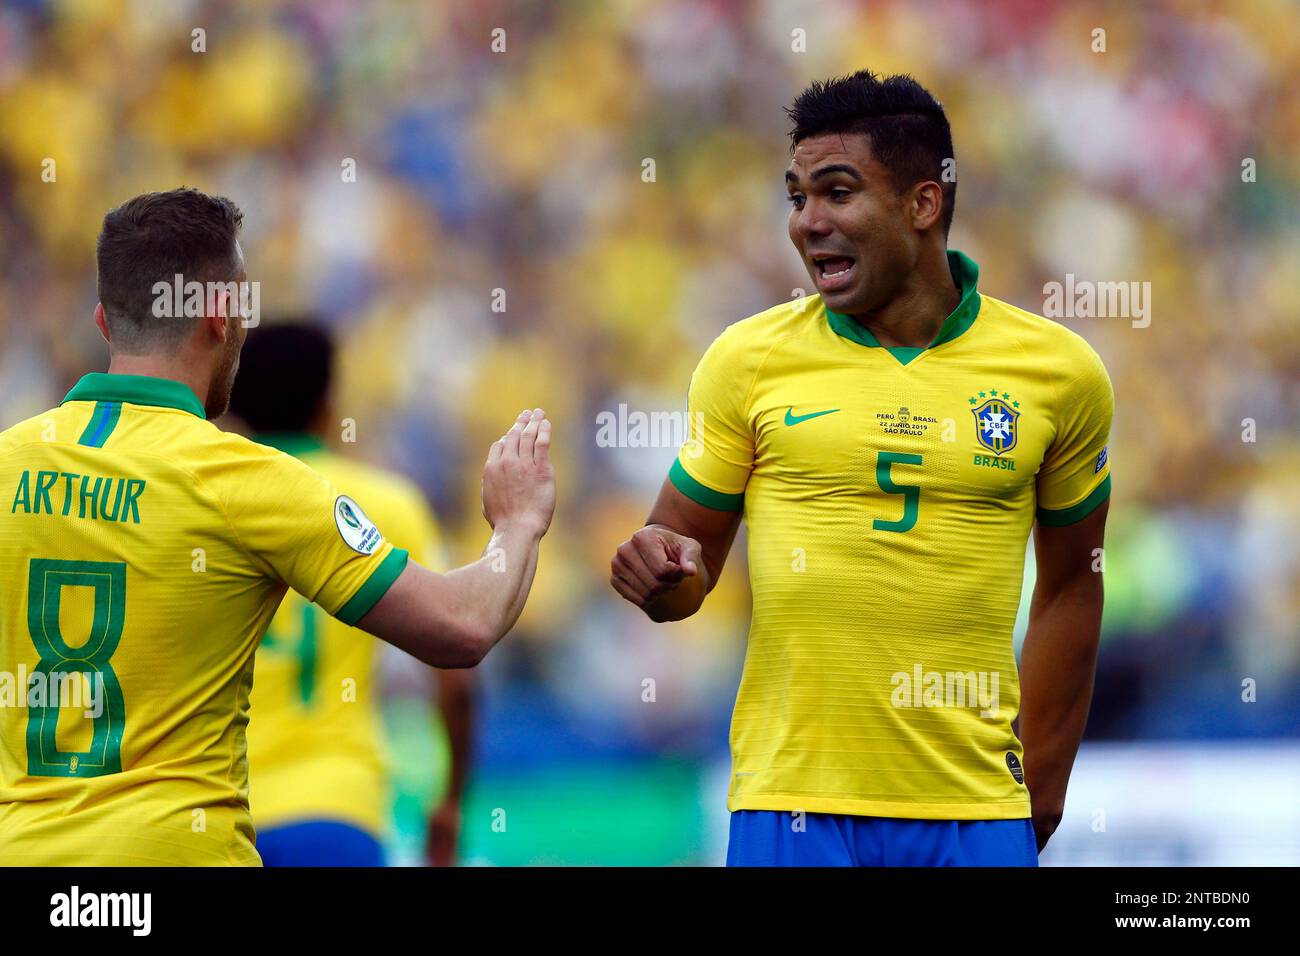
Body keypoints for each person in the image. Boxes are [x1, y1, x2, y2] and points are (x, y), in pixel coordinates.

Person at [609, 71, 1113, 866]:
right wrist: (660, 574)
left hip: (976, 809)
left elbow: (1073, 583)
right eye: (796, 197)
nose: (808, 223)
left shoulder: (1059, 373)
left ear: (923, 204)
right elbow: (682, 564)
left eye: (836, 193)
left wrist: (1041, 780)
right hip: (793, 807)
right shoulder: (748, 361)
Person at [0, 188, 554, 865]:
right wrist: (518, 523)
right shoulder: (248, 481)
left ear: (105, 322)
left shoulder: (9, 461)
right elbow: (462, 628)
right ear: (220, 316)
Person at [227, 322, 472, 867]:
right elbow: (457, 679)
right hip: (336, 811)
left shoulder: (203, 502)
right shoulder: (384, 504)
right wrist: (451, 801)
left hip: (217, 816)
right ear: (326, 404)